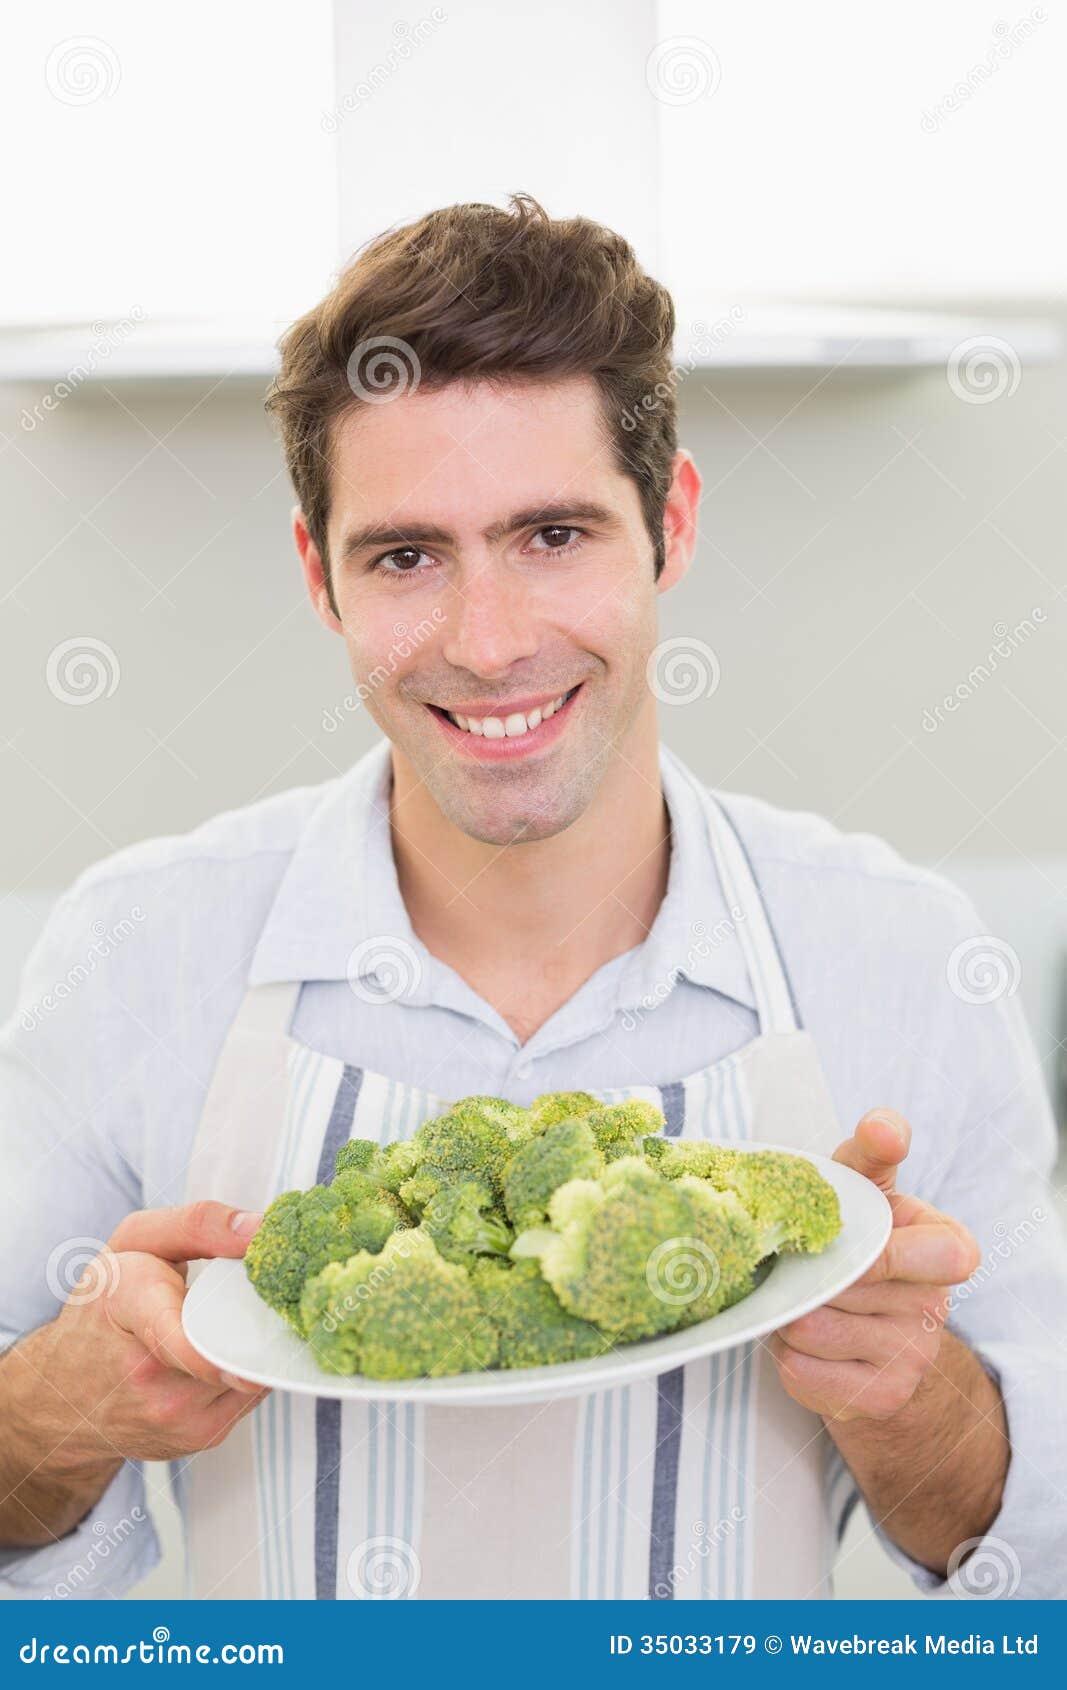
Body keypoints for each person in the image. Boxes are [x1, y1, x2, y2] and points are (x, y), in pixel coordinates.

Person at [0, 196, 1063, 1601]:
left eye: (553, 534)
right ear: (320, 575)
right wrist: (52, 1412)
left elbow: (1038, 1568)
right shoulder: (134, 949)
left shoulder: (907, 956)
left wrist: (912, 1398)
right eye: (406, 555)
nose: (490, 642)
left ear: (667, 525)